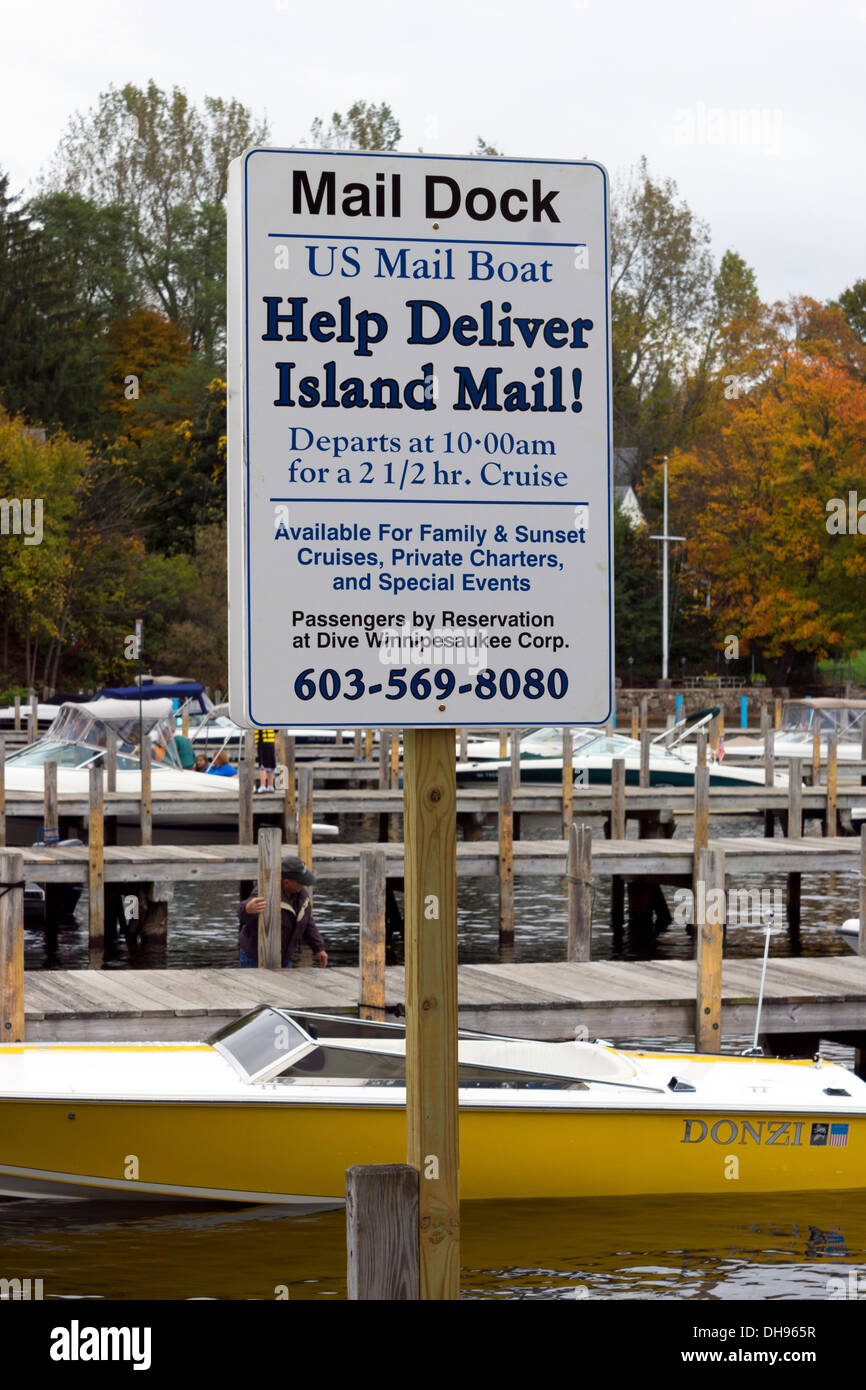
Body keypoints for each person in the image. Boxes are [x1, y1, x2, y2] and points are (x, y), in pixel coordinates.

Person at [237, 856, 327, 968]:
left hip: (284, 958)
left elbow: (308, 923)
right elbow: (241, 912)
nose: (304, 885)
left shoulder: (302, 896)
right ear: (286, 882)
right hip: (254, 957)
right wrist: (247, 908)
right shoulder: (266, 892)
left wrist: (319, 948)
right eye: (300, 882)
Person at [255, 727, 276, 793]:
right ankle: (270, 786)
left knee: (262, 765)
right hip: (271, 742)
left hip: (262, 742)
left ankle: (263, 786)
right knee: (270, 765)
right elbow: (276, 730)